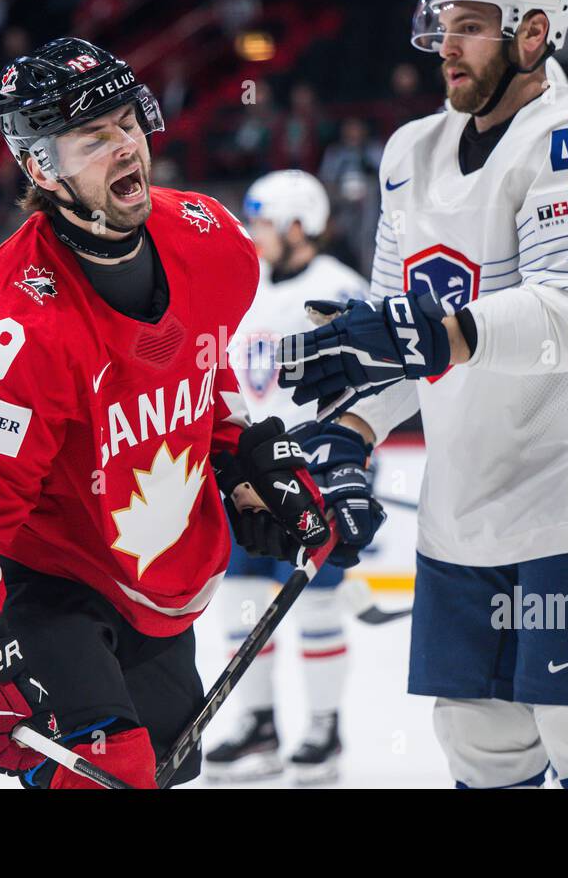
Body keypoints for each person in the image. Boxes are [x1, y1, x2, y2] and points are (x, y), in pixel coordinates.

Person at [277, 0, 568, 788]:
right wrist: (350, 434)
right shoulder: (408, 154)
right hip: (466, 507)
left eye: (472, 26)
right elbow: (390, 333)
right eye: (441, 24)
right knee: (478, 741)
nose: (446, 45)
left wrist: (430, 337)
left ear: (534, 33)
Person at [0, 38, 333, 790]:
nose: (126, 146)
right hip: (51, 577)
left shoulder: (210, 238)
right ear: (42, 169)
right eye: (93, 138)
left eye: (126, 122)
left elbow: (205, 367)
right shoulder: (10, 323)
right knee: (110, 770)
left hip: (158, 578)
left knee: (168, 769)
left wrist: (240, 461)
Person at [205, 170, 374, 785]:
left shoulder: (340, 290)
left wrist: (348, 459)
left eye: (265, 223)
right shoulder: (246, 289)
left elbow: (372, 390)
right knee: (242, 607)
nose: (255, 235)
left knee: (317, 607)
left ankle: (324, 731)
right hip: (252, 482)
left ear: (298, 224)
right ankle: (259, 728)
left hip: (313, 476)